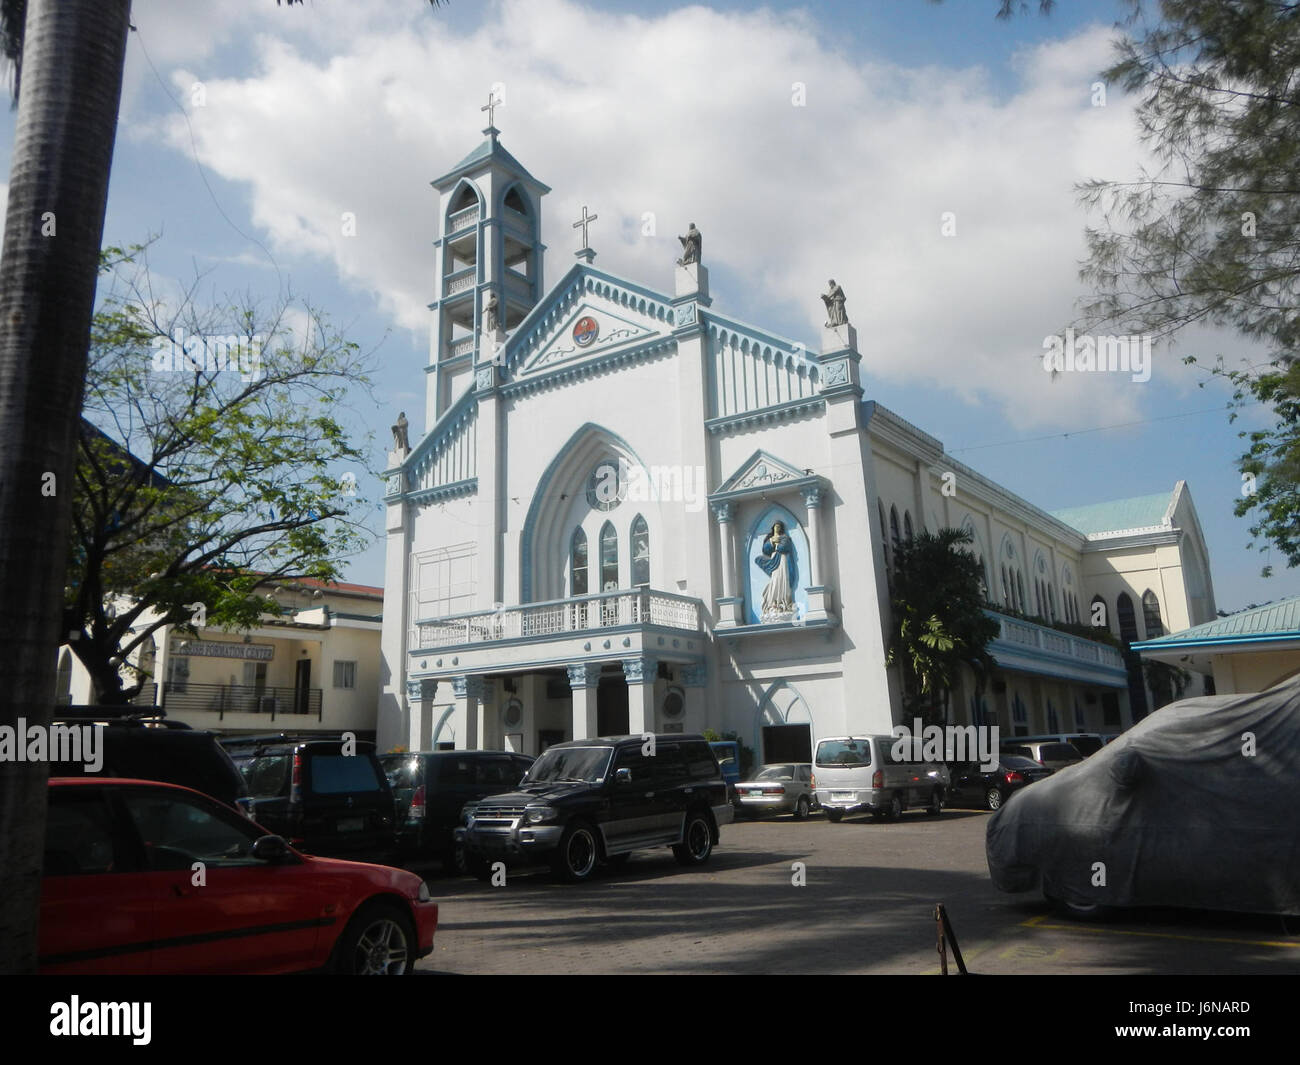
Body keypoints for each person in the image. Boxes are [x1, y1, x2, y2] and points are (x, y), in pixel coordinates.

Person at [755, 521, 796, 618]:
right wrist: (772, 542)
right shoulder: (770, 539)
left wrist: (778, 545)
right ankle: (773, 603)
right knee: (775, 579)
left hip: (782, 559)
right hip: (774, 558)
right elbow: (765, 549)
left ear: (781, 528)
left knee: (783, 578)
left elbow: (785, 547)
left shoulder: (784, 537)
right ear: (773, 528)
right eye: (775, 527)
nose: (777, 528)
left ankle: (783, 603)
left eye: (778, 527)